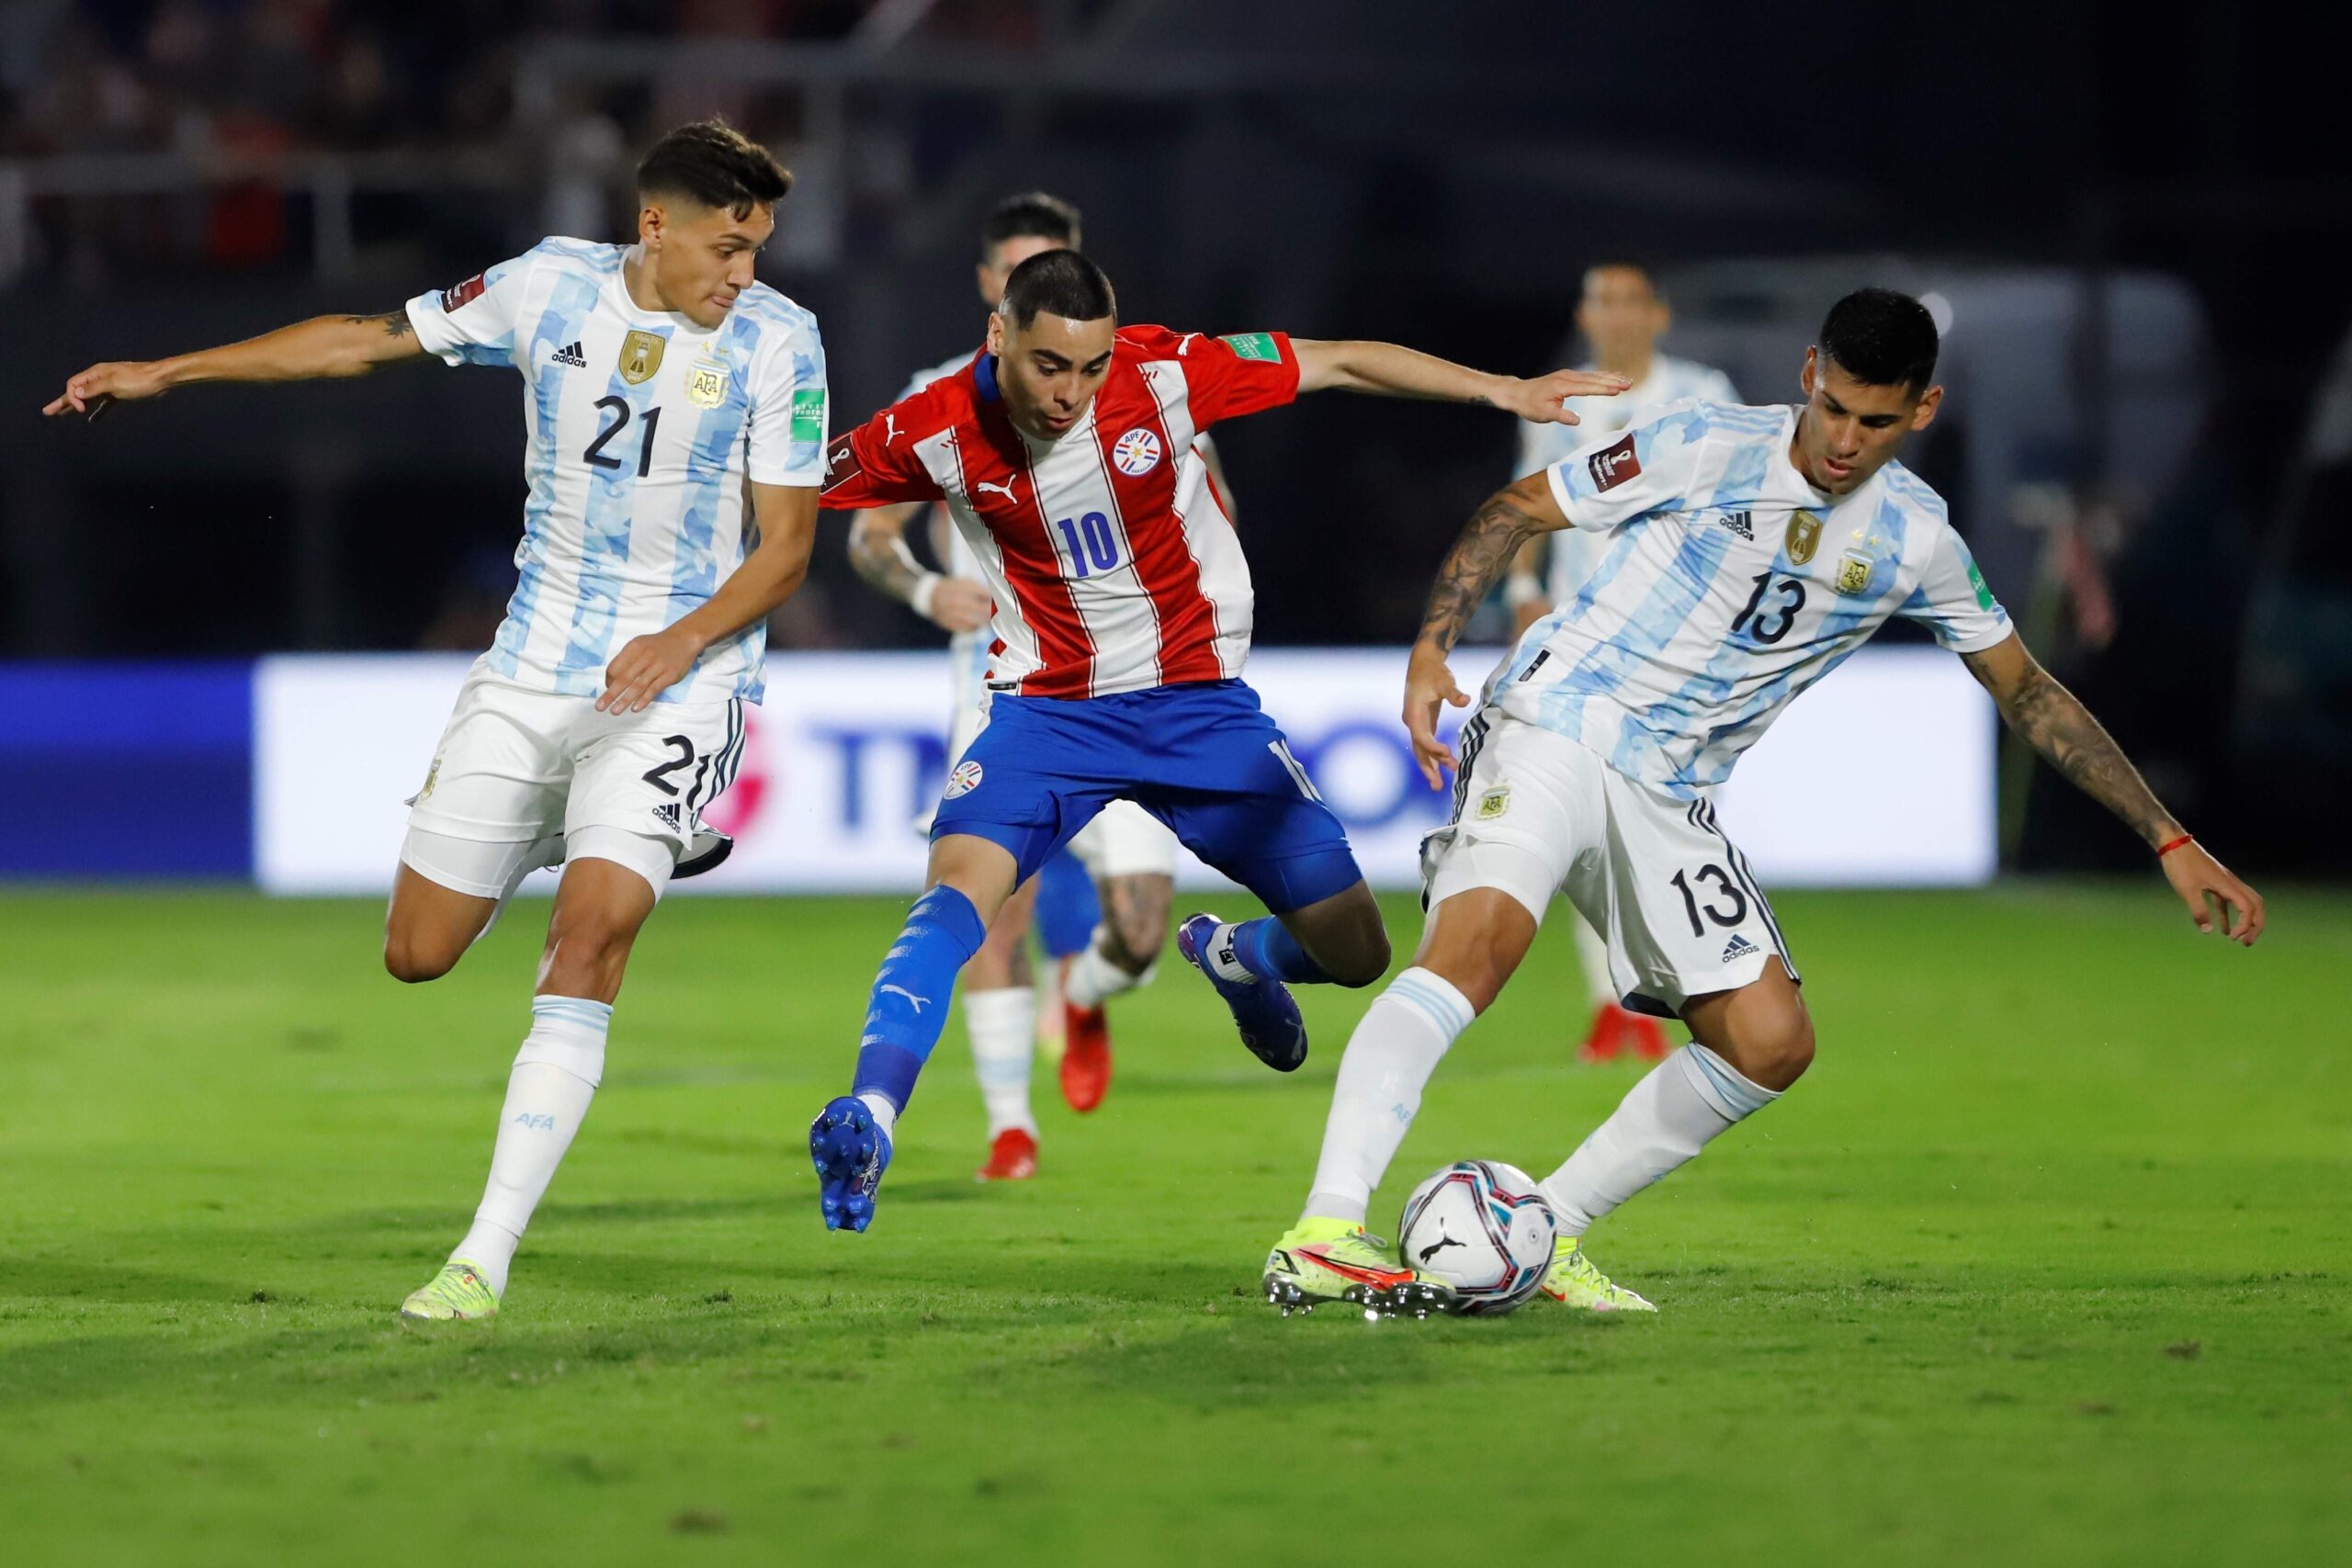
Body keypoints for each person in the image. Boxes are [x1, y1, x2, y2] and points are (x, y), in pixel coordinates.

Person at [1262, 288, 2265, 1315]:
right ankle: (1326, 1230)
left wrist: (2168, 837)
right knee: (1474, 953)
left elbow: (2027, 690)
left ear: (1922, 412)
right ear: (1806, 375)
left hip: (1671, 791)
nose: (1842, 440)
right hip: (1562, 715)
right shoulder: (1703, 444)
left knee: (1770, 1042)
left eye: (1875, 421)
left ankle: (1542, 1233)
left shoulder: (1917, 542)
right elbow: (1518, 509)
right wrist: (1433, 648)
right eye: (1832, 406)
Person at [44, 120, 829, 1323]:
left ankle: (483, 1254)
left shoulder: (781, 341)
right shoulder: (545, 285)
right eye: (729, 246)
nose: (746, 274)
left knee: (593, 933)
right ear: (656, 224)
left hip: (684, 673)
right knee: (417, 951)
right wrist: (166, 372)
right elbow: (359, 343)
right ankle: (581, 822)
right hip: (530, 669)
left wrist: (681, 640)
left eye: (759, 249)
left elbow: (783, 552)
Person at [807, 248, 1629, 1232]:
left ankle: (1241, 956)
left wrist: (1500, 389)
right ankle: (871, 1116)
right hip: (1045, 713)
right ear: (998, 338)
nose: (1070, 393)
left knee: (1360, 952)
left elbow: (1339, 362)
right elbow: (791, 489)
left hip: (1198, 711)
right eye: (1047, 367)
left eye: (1090, 366)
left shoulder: (1162, 376)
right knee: (956, 896)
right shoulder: (932, 426)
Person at [843, 193, 1219, 1181]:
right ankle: (1011, 1128)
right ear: (988, 293)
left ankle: (1088, 994)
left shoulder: (1144, 381)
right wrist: (929, 590)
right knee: (990, 909)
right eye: (1022, 269)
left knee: (1141, 930)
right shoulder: (939, 401)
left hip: (1133, 691)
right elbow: (868, 534)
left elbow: (1206, 509)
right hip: (1006, 695)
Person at [1504, 261, 1740, 1066]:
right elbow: (1528, 502)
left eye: (1630, 299)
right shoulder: (1560, 401)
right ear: (1585, 313)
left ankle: (1665, 991)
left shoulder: (1702, 392)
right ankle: (1620, 1004)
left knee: (1662, 818)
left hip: (1682, 643)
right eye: (1602, 300)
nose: (1616, 314)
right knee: (1584, 818)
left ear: (1658, 313)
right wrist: (1526, 589)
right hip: (1585, 640)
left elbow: (1747, 497)